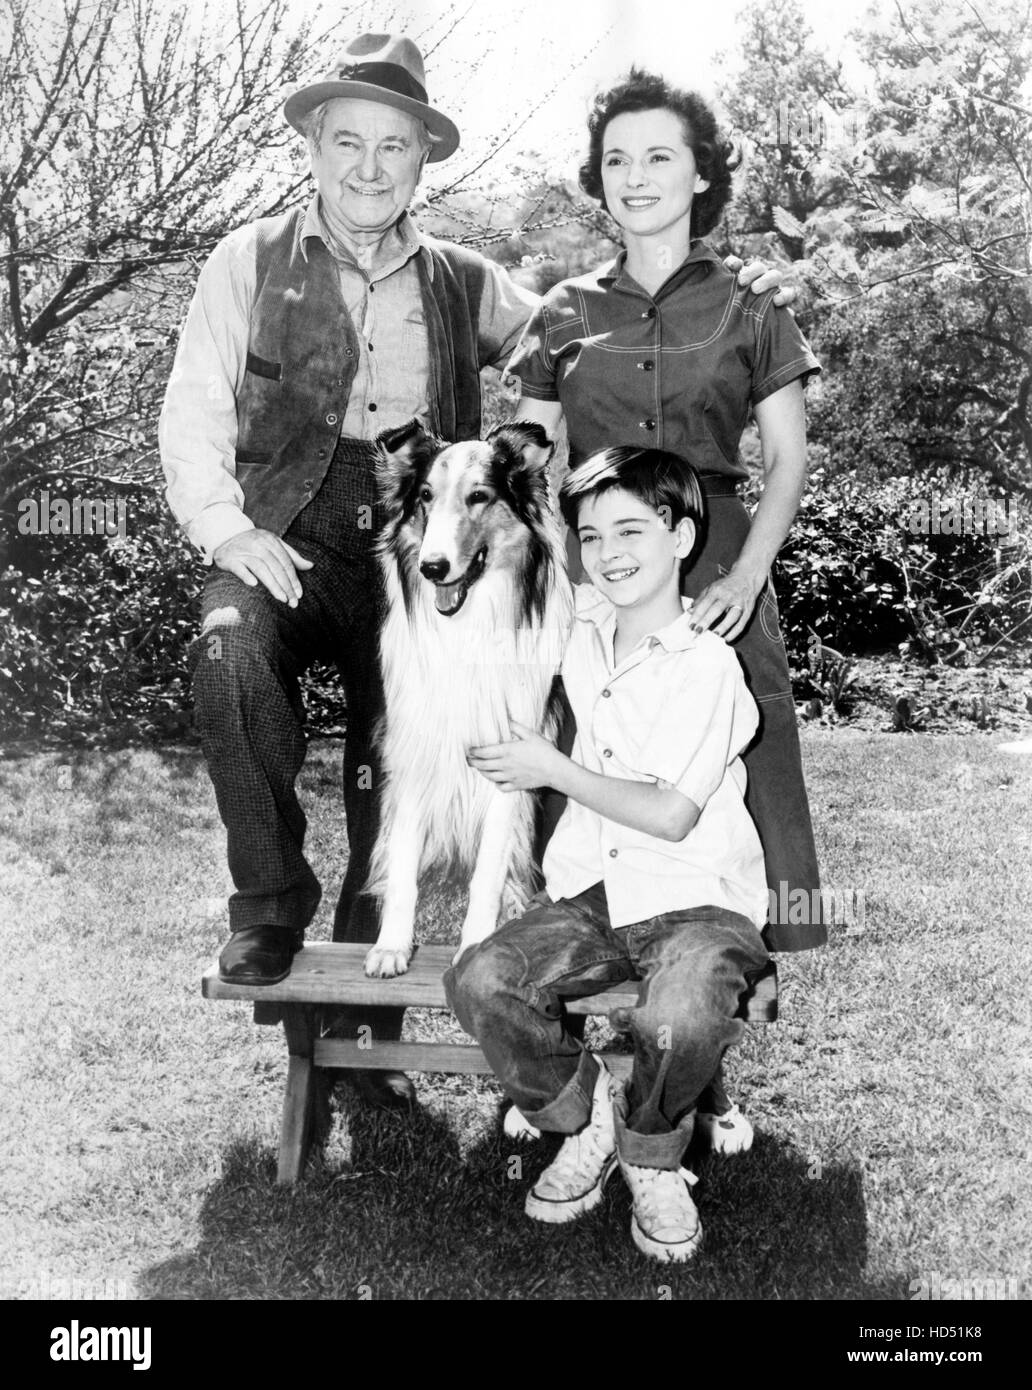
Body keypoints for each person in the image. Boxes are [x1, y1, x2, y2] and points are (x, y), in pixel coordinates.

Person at [159, 35, 794, 1106]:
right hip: (281, 533)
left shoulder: (463, 276)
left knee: (396, 759)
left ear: (421, 162)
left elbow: (569, 336)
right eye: (348, 141)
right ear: (314, 145)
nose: (370, 166)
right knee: (227, 655)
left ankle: (369, 1009)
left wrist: (717, 304)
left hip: (424, 543)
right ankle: (268, 908)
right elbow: (191, 417)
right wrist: (229, 532)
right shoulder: (246, 260)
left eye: (394, 147)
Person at [508, 70, 827, 962]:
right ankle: (550, 1020)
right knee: (577, 764)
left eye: (659, 156)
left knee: (740, 775)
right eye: (617, 159)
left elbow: (788, 457)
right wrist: (558, 588)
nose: (636, 176)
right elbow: (526, 470)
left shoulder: (751, 302)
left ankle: (714, 1044)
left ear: (700, 176)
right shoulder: (563, 311)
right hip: (596, 565)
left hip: (717, 556)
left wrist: (748, 573)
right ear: (598, 178)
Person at [447, 446, 771, 1261]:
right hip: (595, 896)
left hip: (699, 897)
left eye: (632, 530)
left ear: (683, 538)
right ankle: (589, 1118)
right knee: (482, 980)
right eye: (592, 537)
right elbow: (511, 570)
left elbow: (669, 815)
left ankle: (653, 1152)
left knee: (679, 1015)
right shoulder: (583, 626)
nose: (610, 553)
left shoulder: (709, 667)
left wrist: (554, 771)